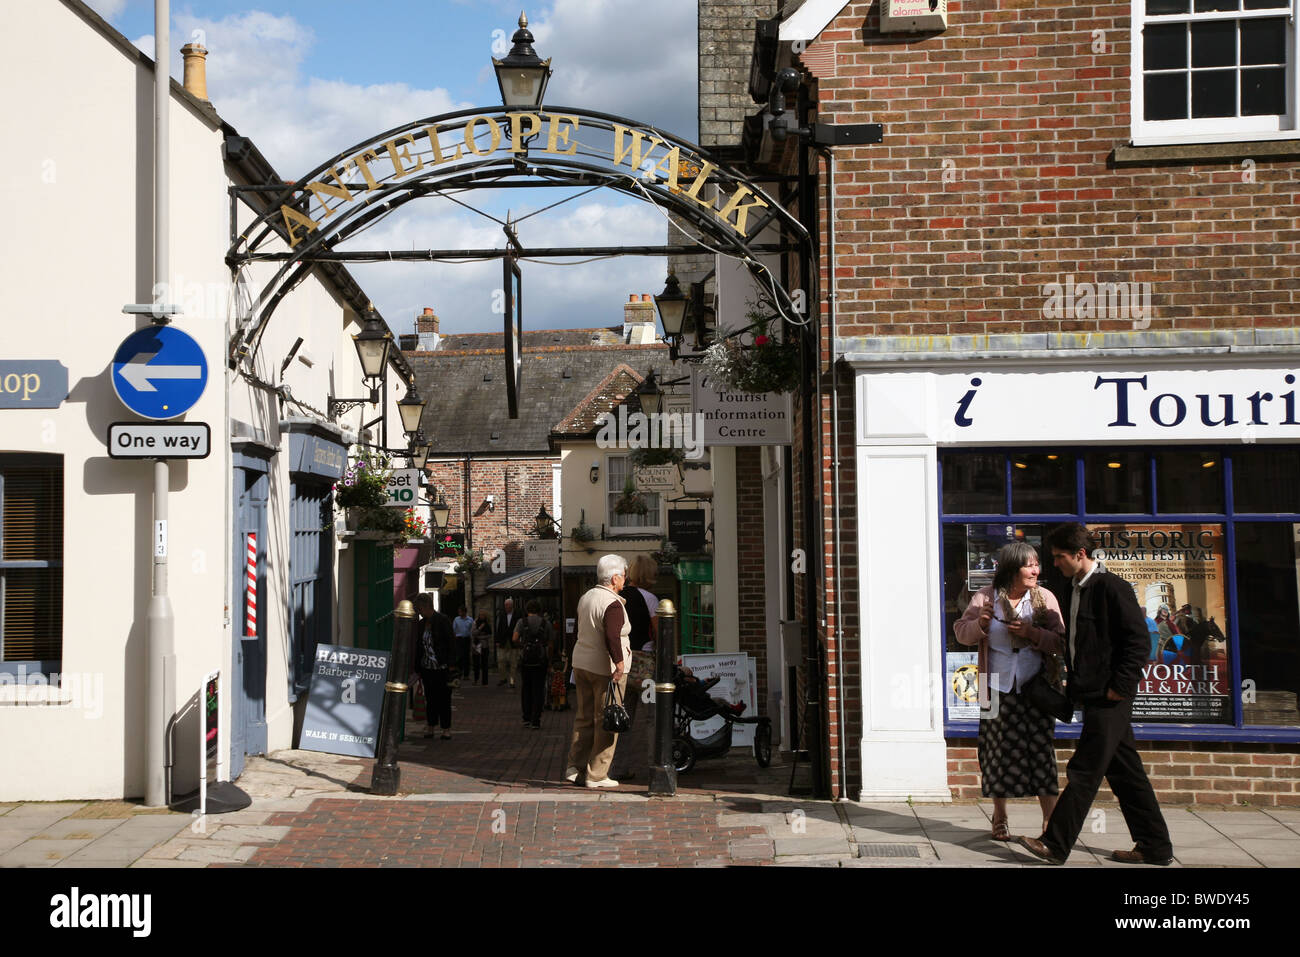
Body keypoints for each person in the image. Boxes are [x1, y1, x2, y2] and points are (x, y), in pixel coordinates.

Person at [1021, 523, 1174, 866]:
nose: (1054, 564)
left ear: (1080, 554)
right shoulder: (1073, 588)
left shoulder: (1111, 588)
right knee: (1126, 773)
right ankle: (1155, 846)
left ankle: (1055, 844)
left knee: (1085, 770)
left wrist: (1119, 688)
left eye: (1060, 557)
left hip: (1111, 698)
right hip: (1092, 694)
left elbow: (1138, 642)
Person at [953, 541, 1065, 841]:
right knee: (994, 751)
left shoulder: (1044, 598)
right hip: (994, 688)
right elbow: (961, 633)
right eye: (1029, 565)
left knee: (1041, 752)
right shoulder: (986, 597)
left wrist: (1031, 633)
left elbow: (1060, 641)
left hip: (1035, 687)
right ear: (1012, 568)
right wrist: (981, 623)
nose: (1036, 570)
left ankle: (1049, 822)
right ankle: (1000, 816)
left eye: (1037, 564)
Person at [564, 555, 631, 789]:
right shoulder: (612, 603)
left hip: (581, 663)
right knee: (607, 719)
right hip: (604, 669)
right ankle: (597, 774)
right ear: (614, 578)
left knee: (584, 717)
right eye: (624, 574)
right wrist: (619, 663)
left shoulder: (586, 597)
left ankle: (575, 767)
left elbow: (578, 631)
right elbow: (612, 636)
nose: (625, 579)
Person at [609, 553, 659, 781]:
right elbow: (659, 634)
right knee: (652, 717)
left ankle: (619, 767)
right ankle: (655, 765)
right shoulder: (650, 599)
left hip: (623, 665)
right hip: (646, 667)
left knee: (623, 716)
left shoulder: (617, 598)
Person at [413, 593, 454, 739]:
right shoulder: (421, 624)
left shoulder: (443, 620)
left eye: (419, 609)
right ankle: (430, 726)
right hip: (427, 667)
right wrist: (417, 667)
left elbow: (450, 643)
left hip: (441, 667)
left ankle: (446, 729)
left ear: (425, 607)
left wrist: (451, 665)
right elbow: (419, 646)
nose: (419, 612)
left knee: (444, 699)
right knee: (430, 698)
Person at [515, 599, 554, 729]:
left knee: (526, 688)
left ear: (527, 610)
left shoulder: (522, 622)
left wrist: (523, 646)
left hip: (526, 660)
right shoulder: (546, 623)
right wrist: (549, 661)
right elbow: (550, 644)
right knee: (538, 689)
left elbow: (514, 638)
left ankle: (526, 717)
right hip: (540, 660)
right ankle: (536, 719)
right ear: (539, 610)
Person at [495, 598, 522, 689]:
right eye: (505, 605)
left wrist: (519, 640)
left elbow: (520, 629)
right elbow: (498, 628)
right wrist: (497, 640)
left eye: (508, 605)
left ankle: (512, 681)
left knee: (513, 663)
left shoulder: (518, 615)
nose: (506, 607)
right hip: (503, 641)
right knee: (501, 660)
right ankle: (503, 678)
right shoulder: (501, 614)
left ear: (512, 605)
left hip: (513, 641)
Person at [453, 605, 474, 682]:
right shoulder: (456, 619)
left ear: (464, 612)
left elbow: (472, 630)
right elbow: (454, 630)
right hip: (459, 639)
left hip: (467, 639)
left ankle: (466, 675)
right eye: (459, 612)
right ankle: (459, 674)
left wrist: (472, 641)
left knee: (466, 657)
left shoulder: (470, 620)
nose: (459, 613)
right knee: (459, 657)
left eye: (460, 611)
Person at [471, 613, 492, 685]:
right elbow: (473, 633)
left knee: (485, 664)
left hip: (485, 646)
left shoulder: (487, 624)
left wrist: (480, 637)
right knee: (476, 664)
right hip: (477, 646)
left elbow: (489, 634)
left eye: (484, 615)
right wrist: (480, 628)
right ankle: (476, 679)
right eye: (481, 615)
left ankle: (485, 681)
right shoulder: (475, 623)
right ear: (479, 616)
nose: (482, 617)